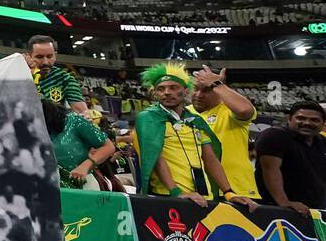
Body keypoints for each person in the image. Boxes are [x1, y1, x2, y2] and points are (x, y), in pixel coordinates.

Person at [132, 63, 258, 209]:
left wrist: (229, 192)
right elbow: (156, 158)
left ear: (185, 91)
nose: (166, 92)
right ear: (154, 93)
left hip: (203, 196)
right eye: (161, 89)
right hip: (169, 196)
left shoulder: (195, 120)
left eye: (173, 87)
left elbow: (210, 158)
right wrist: (176, 192)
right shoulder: (148, 118)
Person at [188, 65, 258, 199]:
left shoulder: (229, 111)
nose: (198, 95)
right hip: (199, 191)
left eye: (207, 90)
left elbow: (244, 110)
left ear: (219, 89)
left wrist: (215, 83)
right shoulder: (185, 113)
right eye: (195, 89)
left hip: (237, 190)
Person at [256, 102, 326, 214]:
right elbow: (270, 169)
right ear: (289, 119)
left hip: (316, 210)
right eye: (301, 118)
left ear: (323, 123)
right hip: (280, 210)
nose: (307, 123)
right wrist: (284, 202)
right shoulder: (275, 135)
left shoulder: (322, 141)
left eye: (314, 120)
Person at [41, 99, 117, 189]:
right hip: (48, 188)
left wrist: (86, 165)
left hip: (82, 185)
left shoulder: (74, 121)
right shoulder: (30, 132)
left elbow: (108, 147)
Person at [27, 35, 89, 115]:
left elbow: (82, 112)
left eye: (49, 56)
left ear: (55, 55)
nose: (45, 62)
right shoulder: (17, 76)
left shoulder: (65, 79)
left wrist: (86, 116)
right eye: (39, 57)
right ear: (29, 56)